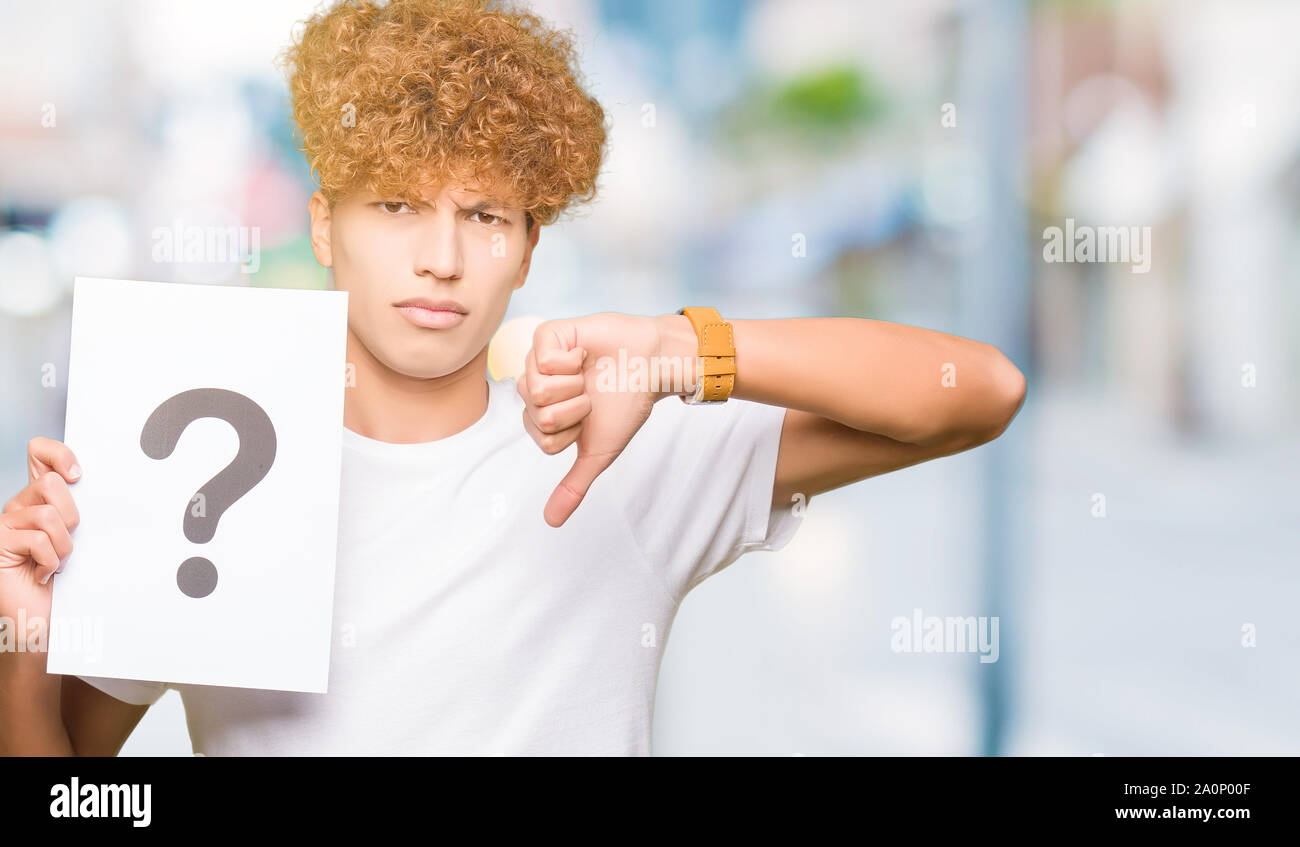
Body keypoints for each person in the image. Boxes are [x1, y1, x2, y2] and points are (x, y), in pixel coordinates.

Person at [0, 0, 1026, 755]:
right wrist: (20, 647)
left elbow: (975, 391)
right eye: (397, 206)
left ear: (529, 246)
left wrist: (681, 349)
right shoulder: (198, 492)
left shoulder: (609, 449)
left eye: (485, 215)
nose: (441, 256)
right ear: (323, 224)